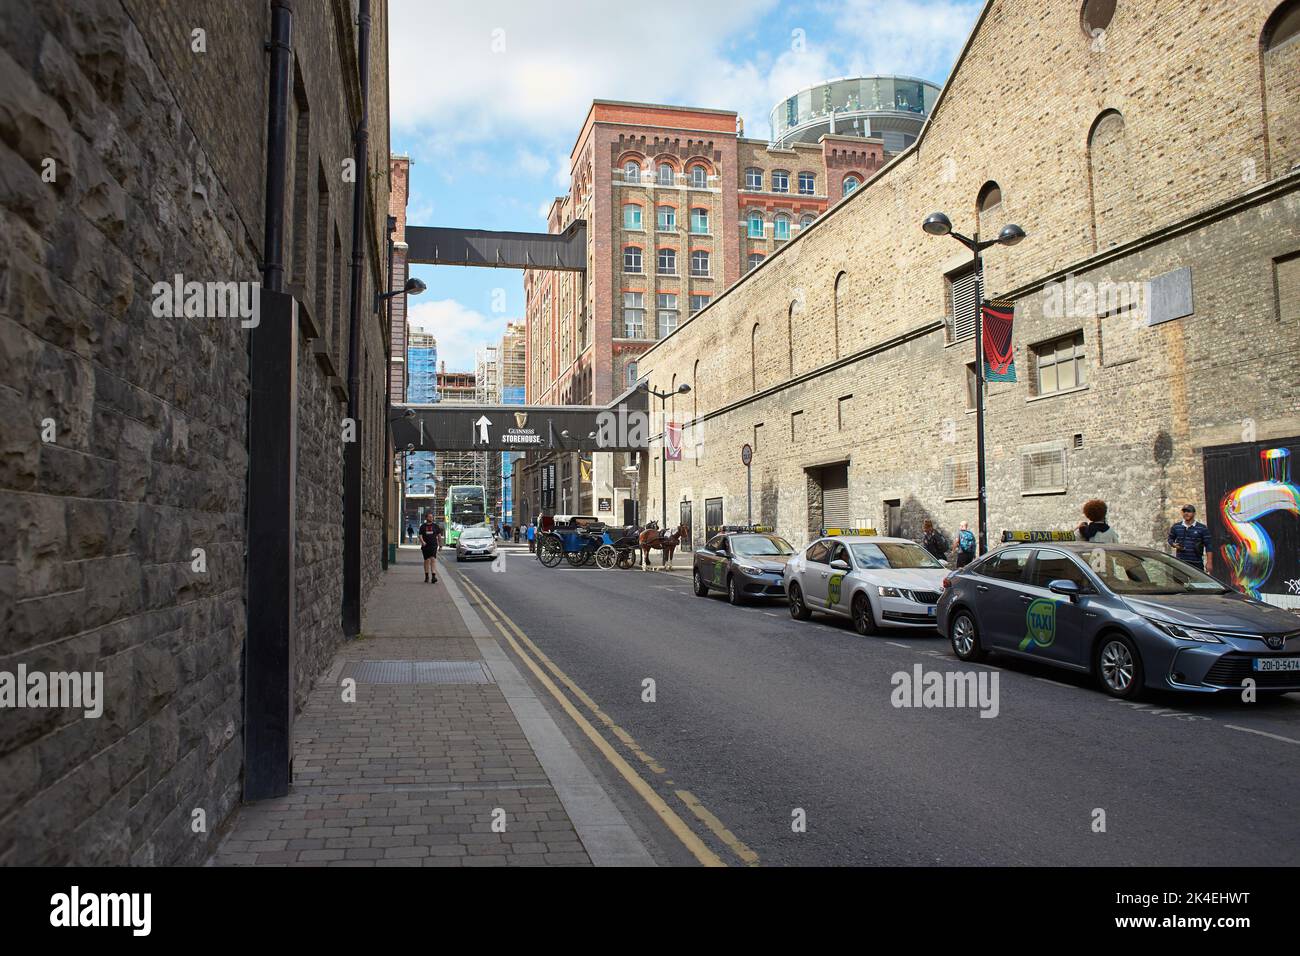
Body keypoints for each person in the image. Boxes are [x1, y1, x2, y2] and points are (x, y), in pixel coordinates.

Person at [1168, 504, 1213, 572]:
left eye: (1189, 511)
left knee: (1198, 582)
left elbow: (1209, 545)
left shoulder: (1202, 528)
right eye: (1184, 511)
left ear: (1194, 513)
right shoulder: (1176, 527)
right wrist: (1173, 544)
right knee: (1179, 582)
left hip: (1196, 564)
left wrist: (1209, 562)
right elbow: (1170, 539)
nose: (1186, 513)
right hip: (1180, 563)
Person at [418, 511, 443, 583]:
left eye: (432, 517)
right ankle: (426, 576)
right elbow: (420, 535)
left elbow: (439, 536)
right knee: (426, 560)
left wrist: (440, 545)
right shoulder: (423, 526)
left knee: (433, 559)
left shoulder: (435, 526)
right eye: (429, 517)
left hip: (433, 545)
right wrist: (422, 542)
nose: (431, 518)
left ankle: (434, 576)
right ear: (426, 518)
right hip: (425, 546)